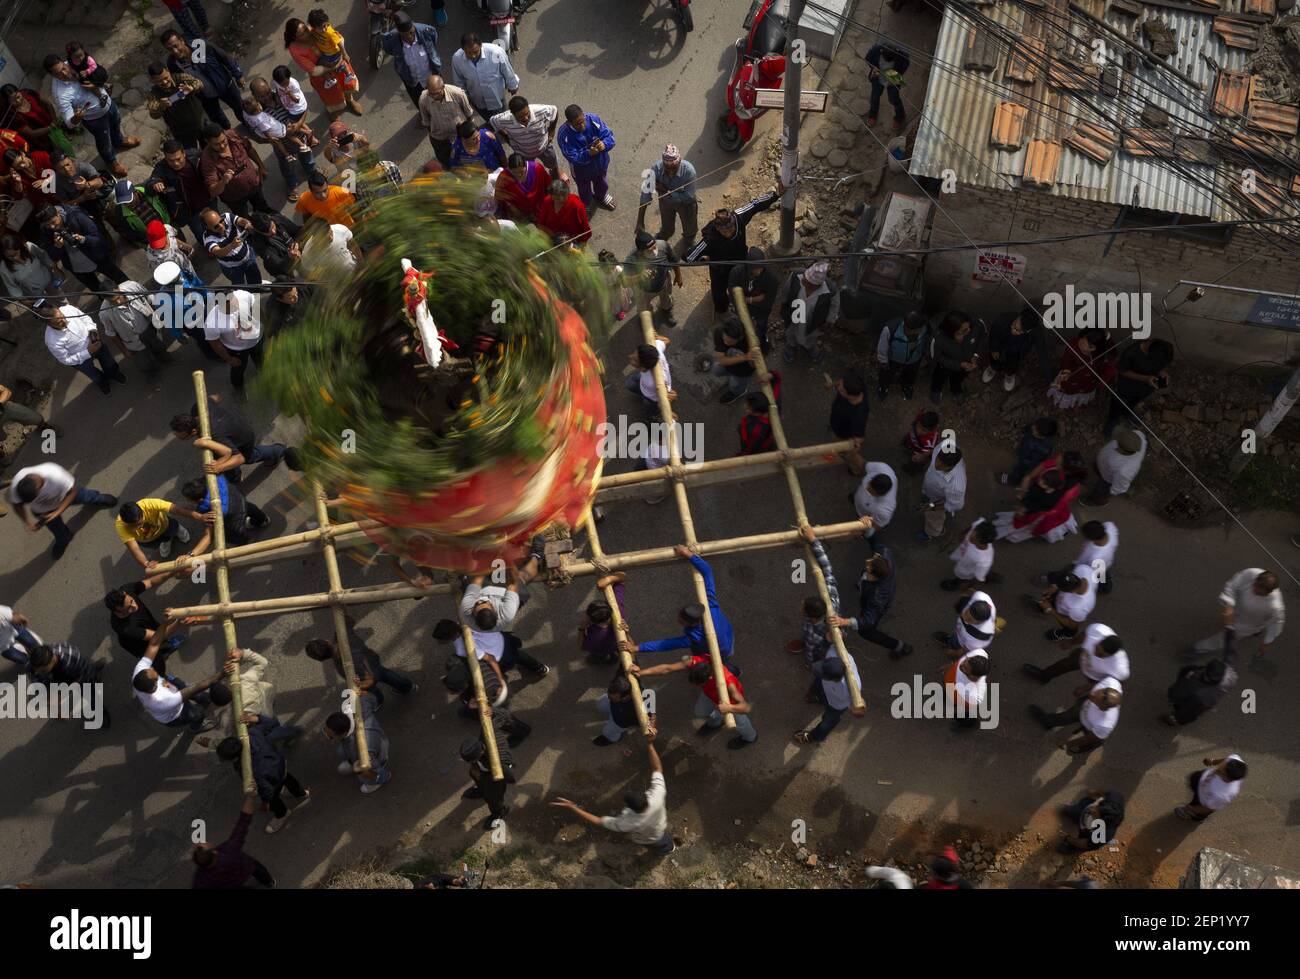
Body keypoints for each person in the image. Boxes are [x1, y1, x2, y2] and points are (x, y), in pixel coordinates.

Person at [552, 737, 675, 854]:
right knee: (663, 841)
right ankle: (669, 848)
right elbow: (657, 768)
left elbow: (599, 821)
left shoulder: (628, 823)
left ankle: (663, 849)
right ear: (646, 798)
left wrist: (573, 807)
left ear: (631, 808)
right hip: (659, 829)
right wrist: (650, 744)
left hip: (646, 838)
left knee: (651, 842)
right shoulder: (657, 795)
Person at [686, 186, 782, 316]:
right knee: (719, 293)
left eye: (731, 228)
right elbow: (689, 257)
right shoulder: (710, 239)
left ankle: (741, 303)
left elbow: (755, 204)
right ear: (718, 229)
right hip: (720, 270)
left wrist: (775, 195)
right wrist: (705, 259)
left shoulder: (739, 217)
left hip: (741, 263)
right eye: (725, 231)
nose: (729, 233)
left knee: (742, 285)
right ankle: (721, 309)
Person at [44, 54, 140, 178]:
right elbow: (69, 123)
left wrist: (102, 83)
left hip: (109, 104)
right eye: (58, 74)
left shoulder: (76, 63)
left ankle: (119, 141)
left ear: (64, 62)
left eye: (64, 68)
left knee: (116, 123)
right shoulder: (60, 94)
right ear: (52, 75)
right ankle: (111, 161)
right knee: (104, 142)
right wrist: (77, 117)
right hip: (95, 120)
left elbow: (98, 69)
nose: (65, 73)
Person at [634, 653, 757, 749]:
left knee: (741, 723)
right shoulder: (695, 661)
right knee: (700, 712)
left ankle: (750, 738)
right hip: (710, 695)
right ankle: (716, 723)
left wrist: (730, 708)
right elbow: (667, 668)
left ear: (709, 677)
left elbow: (746, 707)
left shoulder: (728, 684)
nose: (697, 686)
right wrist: (640, 673)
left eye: (699, 684)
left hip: (731, 704)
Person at [635, 546, 736, 662]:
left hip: (719, 651)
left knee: (713, 662)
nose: (678, 621)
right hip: (728, 636)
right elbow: (707, 571)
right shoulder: (710, 604)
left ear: (692, 624)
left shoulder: (695, 636)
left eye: (682, 621)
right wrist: (689, 554)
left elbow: (667, 644)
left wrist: (639, 647)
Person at [218, 712, 311, 834]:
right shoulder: (253, 734)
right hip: (280, 764)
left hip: (273, 780)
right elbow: (271, 723)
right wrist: (256, 719)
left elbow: (266, 789)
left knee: (274, 799)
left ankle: (282, 814)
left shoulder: (249, 770)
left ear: (234, 758)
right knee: (288, 778)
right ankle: (301, 794)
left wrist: (266, 802)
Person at [170, 396, 296, 484]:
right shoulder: (198, 407)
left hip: (243, 439)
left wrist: (219, 468)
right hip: (236, 423)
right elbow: (216, 398)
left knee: (250, 456)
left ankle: (278, 451)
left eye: (179, 435)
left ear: (193, 432)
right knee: (226, 462)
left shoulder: (216, 436)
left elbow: (239, 458)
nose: (177, 437)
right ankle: (234, 475)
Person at [132, 621, 222, 732]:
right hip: (177, 714)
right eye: (155, 675)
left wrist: (166, 622)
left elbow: (154, 644)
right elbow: (195, 688)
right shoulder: (162, 700)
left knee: (183, 686)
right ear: (155, 685)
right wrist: (222, 673)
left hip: (171, 690)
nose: (151, 668)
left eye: (149, 669)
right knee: (197, 714)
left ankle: (205, 699)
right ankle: (196, 727)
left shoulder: (140, 671)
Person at [306, 614, 416, 700]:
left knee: (373, 689)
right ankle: (407, 687)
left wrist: (358, 687)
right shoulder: (342, 635)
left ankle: (378, 700)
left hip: (368, 675)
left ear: (322, 659)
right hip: (372, 660)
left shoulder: (342, 667)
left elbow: (369, 681)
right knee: (386, 674)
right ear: (327, 642)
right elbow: (348, 620)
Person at [241, 82, 318, 203]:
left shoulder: (282, 95)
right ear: (254, 96)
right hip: (281, 145)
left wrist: (298, 125)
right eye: (261, 96)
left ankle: (311, 170)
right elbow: (254, 135)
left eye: (267, 93)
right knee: (286, 165)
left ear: (269, 87)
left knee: (306, 153)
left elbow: (302, 109)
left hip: (298, 135)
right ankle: (292, 184)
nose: (266, 97)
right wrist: (270, 139)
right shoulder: (251, 111)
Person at [832, 548, 912, 658]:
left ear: (871, 572)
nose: (868, 562)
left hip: (877, 605)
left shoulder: (876, 597)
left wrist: (844, 621)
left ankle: (899, 646)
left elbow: (867, 620)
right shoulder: (885, 555)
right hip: (871, 589)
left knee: (866, 631)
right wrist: (867, 533)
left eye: (870, 565)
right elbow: (878, 544)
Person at [162, 27, 245, 128]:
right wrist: (172, 99)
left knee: (241, 109)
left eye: (176, 46)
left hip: (224, 84)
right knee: (219, 121)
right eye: (170, 49)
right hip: (205, 96)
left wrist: (238, 75)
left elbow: (224, 57)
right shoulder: (173, 64)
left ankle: (250, 126)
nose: (175, 51)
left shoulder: (200, 45)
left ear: (182, 41)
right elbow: (181, 88)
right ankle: (229, 136)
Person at [1193, 569, 1284, 660]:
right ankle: (1257, 631)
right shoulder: (1251, 573)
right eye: (1254, 585)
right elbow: (1233, 585)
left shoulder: (1275, 607)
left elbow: (1275, 624)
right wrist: (1229, 605)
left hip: (1248, 624)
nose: (1254, 589)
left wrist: (1266, 643)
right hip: (1238, 609)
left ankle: (1199, 649)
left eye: (1259, 590)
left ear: (1269, 592)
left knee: (1225, 637)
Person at [192, 793, 277, 889]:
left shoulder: (200, 879)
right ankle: (269, 882)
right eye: (203, 845)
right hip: (246, 867)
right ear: (214, 852)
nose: (200, 842)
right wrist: (250, 798)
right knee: (259, 870)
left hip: (232, 885)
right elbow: (242, 823)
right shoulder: (229, 849)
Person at [284, 17, 362, 120]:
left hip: (338, 61)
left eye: (306, 30)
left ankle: (349, 100)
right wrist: (335, 66)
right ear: (294, 38)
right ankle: (334, 112)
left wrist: (343, 53)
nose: (307, 34)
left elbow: (336, 37)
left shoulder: (315, 28)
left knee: (347, 84)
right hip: (322, 75)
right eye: (302, 34)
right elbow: (312, 70)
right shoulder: (295, 50)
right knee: (331, 96)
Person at [38, 204, 127, 291]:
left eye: (53, 222)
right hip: (77, 268)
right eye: (47, 225)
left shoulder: (76, 215)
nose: (52, 227)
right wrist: (57, 247)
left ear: (58, 213)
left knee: (122, 280)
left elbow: (97, 238)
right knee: (100, 292)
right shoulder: (45, 230)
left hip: (97, 258)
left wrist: (83, 239)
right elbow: (52, 255)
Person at [44, 302, 127, 395]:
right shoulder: (51, 340)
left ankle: (114, 374)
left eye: (62, 316)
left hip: (96, 343)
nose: (64, 321)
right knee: (95, 376)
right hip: (81, 360)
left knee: (109, 363)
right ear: (49, 324)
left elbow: (85, 318)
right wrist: (88, 352)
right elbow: (65, 360)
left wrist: (93, 331)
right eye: (59, 322)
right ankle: (103, 383)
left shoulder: (68, 309)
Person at [1029, 676, 1122, 755]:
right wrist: (1084, 688)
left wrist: (1068, 743)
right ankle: (1047, 721)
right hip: (1083, 709)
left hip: (1091, 727)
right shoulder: (1111, 682)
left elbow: (1089, 738)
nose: (1092, 694)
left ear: (1102, 708)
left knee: (1092, 742)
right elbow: (1097, 684)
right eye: (1097, 692)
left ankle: (1082, 749)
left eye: (1094, 699)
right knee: (1065, 716)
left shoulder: (1104, 724)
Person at [148, 139, 216, 244]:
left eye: (178, 159)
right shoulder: (161, 168)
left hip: (208, 200)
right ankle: (209, 246)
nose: (175, 163)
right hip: (189, 211)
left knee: (216, 222)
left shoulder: (195, 155)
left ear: (184, 153)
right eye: (170, 160)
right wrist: (156, 183)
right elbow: (153, 179)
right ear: (165, 158)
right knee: (200, 231)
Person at [1022, 621, 1129, 686]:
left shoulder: (1120, 669)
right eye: (1096, 647)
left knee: (1087, 704)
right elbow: (1084, 635)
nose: (1095, 653)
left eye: (1100, 654)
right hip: (1082, 657)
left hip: (1094, 677)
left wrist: (1087, 687)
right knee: (1062, 665)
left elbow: (1114, 684)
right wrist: (1070, 643)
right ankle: (1044, 676)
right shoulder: (1098, 629)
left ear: (1111, 655)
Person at [325, 688, 390, 794]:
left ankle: (374, 784)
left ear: (343, 734)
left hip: (378, 754)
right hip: (378, 739)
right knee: (341, 752)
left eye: (331, 736)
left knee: (362, 779)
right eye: (325, 731)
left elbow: (381, 774)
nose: (327, 736)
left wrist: (364, 772)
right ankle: (354, 763)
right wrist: (363, 692)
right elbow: (373, 700)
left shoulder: (365, 750)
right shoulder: (356, 705)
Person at [199, 122, 271, 217]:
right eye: (216, 144)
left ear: (224, 134)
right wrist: (223, 181)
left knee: (263, 209)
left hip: (254, 185)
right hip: (235, 199)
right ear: (207, 142)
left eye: (223, 141)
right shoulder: (207, 160)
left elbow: (249, 149)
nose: (222, 146)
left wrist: (261, 166)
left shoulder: (233, 135)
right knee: (245, 221)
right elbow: (213, 191)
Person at [99, 280, 172, 371]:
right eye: (113, 301)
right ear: (105, 299)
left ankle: (166, 360)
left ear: (118, 288)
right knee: (145, 364)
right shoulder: (104, 314)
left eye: (118, 297)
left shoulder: (132, 286)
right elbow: (111, 333)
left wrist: (158, 315)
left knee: (159, 348)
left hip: (149, 328)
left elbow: (149, 297)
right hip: (132, 341)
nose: (118, 302)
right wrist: (124, 351)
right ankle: (153, 374)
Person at [1106, 338, 1173, 437]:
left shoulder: (1161, 348)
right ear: (1148, 354)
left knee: (1135, 400)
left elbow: (1159, 366)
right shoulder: (1131, 353)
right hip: (1126, 385)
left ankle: (1127, 411)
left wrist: (1162, 372)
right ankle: (1112, 420)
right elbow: (1122, 371)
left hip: (1145, 386)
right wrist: (1145, 378)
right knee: (1117, 401)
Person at [105, 579, 187, 660]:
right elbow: (159, 636)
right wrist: (178, 622)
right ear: (118, 612)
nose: (135, 606)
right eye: (129, 608)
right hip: (141, 644)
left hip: (146, 626)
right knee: (157, 656)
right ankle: (165, 653)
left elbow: (150, 582)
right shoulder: (127, 629)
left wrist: (172, 571)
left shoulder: (126, 590)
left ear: (125, 593)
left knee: (158, 631)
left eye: (132, 601)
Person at [182, 474, 269, 549]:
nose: (187, 500)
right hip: (239, 499)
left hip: (234, 518)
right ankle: (262, 520)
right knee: (250, 508)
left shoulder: (204, 508)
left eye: (189, 499)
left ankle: (247, 542)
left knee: (229, 534)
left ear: (200, 500)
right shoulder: (215, 479)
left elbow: (210, 527)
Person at [557, 104, 616, 213]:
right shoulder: (564, 136)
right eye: (577, 124)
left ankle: (601, 196)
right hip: (581, 172)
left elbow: (610, 136)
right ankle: (586, 203)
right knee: (584, 190)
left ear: (583, 115)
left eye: (582, 120)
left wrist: (605, 144)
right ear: (569, 123)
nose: (582, 125)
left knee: (602, 183)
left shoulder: (593, 120)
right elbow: (572, 156)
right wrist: (588, 153)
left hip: (601, 164)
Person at [637, 144, 698, 248]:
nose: (670, 171)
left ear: (679, 161)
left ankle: (688, 240)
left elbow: (689, 197)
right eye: (667, 167)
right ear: (663, 163)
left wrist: (667, 191)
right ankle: (664, 236)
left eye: (674, 167)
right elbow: (645, 194)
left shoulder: (689, 171)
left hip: (686, 204)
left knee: (690, 228)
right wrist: (640, 221)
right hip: (665, 202)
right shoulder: (656, 168)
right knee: (666, 227)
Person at [203, 288, 263, 391]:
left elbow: (256, 307)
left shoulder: (243, 295)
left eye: (235, 300)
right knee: (238, 370)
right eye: (231, 305)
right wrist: (229, 359)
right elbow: (215, 344)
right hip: (237, 350)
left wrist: (266, 323)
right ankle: (239, 389)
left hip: (257, 340)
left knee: (260, 358)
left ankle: (262, 371)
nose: (236, 305)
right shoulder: (212, 322)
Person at [778, 261, 839, 364]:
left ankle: (809, 346)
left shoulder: (830, 290)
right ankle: (791, 346)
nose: (803, 281)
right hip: (794, 315)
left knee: (810, 335)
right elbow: (786, 291)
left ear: (816, 286)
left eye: (807, 282)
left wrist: (829, 321)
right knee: (791, 332)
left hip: (813, 320)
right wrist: (783, 306)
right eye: (805, 279)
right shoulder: (797, 275)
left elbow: (834, 306)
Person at [451, 33, 518, 124]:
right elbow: (459, 81)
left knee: (506, 120)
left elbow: (507, 70)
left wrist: (513, 85)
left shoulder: (496, 52)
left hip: (497, 97)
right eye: (468, 53)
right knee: (491, 121)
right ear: (463, 49)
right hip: (478, 101)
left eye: (475, 51)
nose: (473, 56)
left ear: (481, 45)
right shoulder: (457, 59)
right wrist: (464, 98)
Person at [491, 95, 560, 181]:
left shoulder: (541, 110)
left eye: (527, 114)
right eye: (521, 117)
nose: (526, 118)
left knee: (552, 162)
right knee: (528, 172)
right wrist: (507, 138)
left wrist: (552, 130)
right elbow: (493, 121)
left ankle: (555, 173)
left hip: (544, 146)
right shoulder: (503, 119)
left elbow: (555, 110)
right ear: (512, 114)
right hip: (523, 153)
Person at [380, 12, 442, 108]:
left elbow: (434, 41)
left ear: (413, 25)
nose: (409, 37)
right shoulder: (391, 39)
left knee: (440, 100)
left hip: (432, 76)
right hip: (412, 82)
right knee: (420, 104)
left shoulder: (426, 31)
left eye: (411, 33)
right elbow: (389, 50)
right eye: (404, 35)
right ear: (398, 32)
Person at [115, 498, 201, 567]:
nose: (138, 526)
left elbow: (175, 509)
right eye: (134, 525)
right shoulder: (121, 526)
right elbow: (134, 548)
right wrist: (146, 563)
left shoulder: (149, 504)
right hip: (148, 540)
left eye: (139, 523)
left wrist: (198, 516)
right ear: (125, 522)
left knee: (173, 527)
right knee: (161, 541)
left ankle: (178, 529)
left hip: (165, 526)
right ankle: (166, 541)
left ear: (141, 511)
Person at [625, 230, 681, 329]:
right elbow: (624, 281)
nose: (654, 251)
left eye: (654, 246)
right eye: (649, 250)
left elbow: (674, 260)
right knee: (644, 309)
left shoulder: (662, 245)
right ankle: (646, 320)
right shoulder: (632, 259)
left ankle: (666, 313)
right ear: (641, 252)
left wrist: (678, 275)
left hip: (664, 282)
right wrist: (639, 276)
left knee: (667, 300)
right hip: (644, 290)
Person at [146, 63, 208, 151]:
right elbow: (153, 114)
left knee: (210, 148)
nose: (164, 82)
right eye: (159, 81)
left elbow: (199, 83)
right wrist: (161, 106)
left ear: (168, 71)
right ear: (152, 80)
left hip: (199, 121)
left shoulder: (181, 78)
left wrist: (192, 88)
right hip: (181, 131)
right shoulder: (154, 94)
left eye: (166, 78)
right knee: (191, 155)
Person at [1047, 329, 1114, 410]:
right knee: (1068, 389)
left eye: (1090, 346)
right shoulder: (1074, 344)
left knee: (1083, 392)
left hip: (1088, 381)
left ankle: (1077, 402)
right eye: (1083, 341)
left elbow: (1112, 353)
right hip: (1072, 377)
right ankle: (1065, 402)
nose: (1083, 346)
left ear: (1097, 348)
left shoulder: (1100, 353)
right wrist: (1066, 371)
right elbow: (1067, 358)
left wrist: (1107, 337)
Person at [727, 246, 778, 350]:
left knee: (761, 326)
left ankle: (762, 342)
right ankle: (745, 344)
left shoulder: (771, 278)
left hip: (761, 311)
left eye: (761, 268)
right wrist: (756, 299)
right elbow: (733, 295)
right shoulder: (736, 273)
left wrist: (747, 299)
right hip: (742, 310)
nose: (759, 271)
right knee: (744, 328)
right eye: (755, 268)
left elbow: (768, 301)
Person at [1083, 425, 1147, 506]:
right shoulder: (1138, 436)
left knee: (1101, 490)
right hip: (1104, 467)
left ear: (1123, 450)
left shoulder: (1125, 471)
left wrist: (1109, 492)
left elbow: (1119, 487)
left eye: (1118, 441)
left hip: (1107, 480)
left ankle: (1097, 500)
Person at [418, 73, 473, 167]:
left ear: (443, 87)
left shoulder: (457, 94)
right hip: (439, 136)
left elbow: (469, 114)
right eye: (430, 93)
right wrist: (432, 132)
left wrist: (468, 133)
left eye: (436, 93)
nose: (433, 96)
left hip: (459, 133)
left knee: (466, 157)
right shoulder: (423, 98)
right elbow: (426, 120)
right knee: (445, 159)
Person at [875, 309, 929, 401]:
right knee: (886, 374)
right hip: (893, 360)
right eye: (910, 331)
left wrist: (924, 355)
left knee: (910, 375)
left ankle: (907, 386)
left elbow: (926, 342)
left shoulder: (925, 328)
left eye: (918, 330)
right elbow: (882, 346)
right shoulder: (890, 329)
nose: (915, 333)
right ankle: (883, 388)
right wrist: (883, 361)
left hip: (914, 359)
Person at [461, 736, 515, 828]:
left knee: (493, 797)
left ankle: (499, 812)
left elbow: (508, 775)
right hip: (483, 770)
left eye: (472, 760)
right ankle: (481, 791)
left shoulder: (498, 760)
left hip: (496, 775)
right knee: (474, 775)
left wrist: (502, 780)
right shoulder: (484, 737)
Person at [929, 311, 983, 403]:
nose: (969, 331)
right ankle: (936, 390)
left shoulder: (977, 325)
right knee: (939, 377)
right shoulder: (939, 339)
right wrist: (957, 364)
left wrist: (975, 356)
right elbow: (936, 357)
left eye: (968, 328)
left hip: (966, 363)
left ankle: (956, 389)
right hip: (946, 365)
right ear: (950, 332)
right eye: (961, 332)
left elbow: (982, 339)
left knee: (959, 378)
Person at [1032, 565, 1097, 641]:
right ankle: (1043, 607)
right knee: (1050, 601)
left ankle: (1066, 635)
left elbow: (1072, 625)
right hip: (1061, 602)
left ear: (1071, 592)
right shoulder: (1083, 569)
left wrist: (1050, 610)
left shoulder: (1079, 608)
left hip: (1066, 614)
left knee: (1069, 630)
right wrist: (1054, 587)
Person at [984, 305, 1038, 393]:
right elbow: (993, 334)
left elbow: (1027, 348)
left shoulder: (1032, 335)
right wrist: (994, 348)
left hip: (1014, 354)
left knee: (1012, 365)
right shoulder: (1003, 319)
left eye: (1017, 330)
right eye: (1013, 325)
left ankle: (1009, 375)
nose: (1013, 330)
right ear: (1019, 316)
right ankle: (993, 368)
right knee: (994, 359)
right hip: (999, 347)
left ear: (1028, 331)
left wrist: (1020, 355)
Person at [1176, 755, 1247, 821]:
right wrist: (1212, 761)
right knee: (1194, 779)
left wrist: (1190, 808)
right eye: (1221, 766)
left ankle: (1197, 817)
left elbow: (1208, 809)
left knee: (1199, 812)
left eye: (1220, 772)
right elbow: (1225, 760)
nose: (1217, 769)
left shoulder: (1223, 795)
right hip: (1202, 779)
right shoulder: (1234, 760)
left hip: (1203, 799)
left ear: (1229, 779)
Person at [1, 235, 59, 315]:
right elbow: (12, 286)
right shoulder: (3, 268)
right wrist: (23, 300)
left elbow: (44, 256)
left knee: (62, 300)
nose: (15, 258)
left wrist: (55, 268)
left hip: (49, 281)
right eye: (10, 256)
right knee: (49, 314)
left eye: (16, 253)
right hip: (34, 294)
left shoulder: (30, 247)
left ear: (20, 247)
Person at [200, 208, 260, 285]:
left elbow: (240, 220)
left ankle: (257, 288)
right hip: (233, 268)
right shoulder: (207, 238)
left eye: (221, 221)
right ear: (207, 227)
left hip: (248, 256)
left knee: (255, 277)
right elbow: (218, 252)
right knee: (240, 286)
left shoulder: (227, 216)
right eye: (216, 226)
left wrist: (246, 223)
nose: (221, 226)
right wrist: (232, 245)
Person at [578, 573, 627, 665]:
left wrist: (581, 628)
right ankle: (612, 659)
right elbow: (623, 577)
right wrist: (610, 579)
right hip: (614, 645)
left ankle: (600, 660)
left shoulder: (593, 638)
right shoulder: (619, 612)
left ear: (590, 618)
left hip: (598, 649)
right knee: (612, 652)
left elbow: (581, 645)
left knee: (598, 654)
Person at [1161, 659, 1227, 727]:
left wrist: (1178, 717)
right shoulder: (1199, 671)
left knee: (1184, 713)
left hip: (1186, 702)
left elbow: (1189, 710)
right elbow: (1183, 672)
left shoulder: (1204, 694)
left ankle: (1173, 720)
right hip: (1183, 696)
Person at [919, 447, 967, 541]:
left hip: (937, 502)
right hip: (928, 491)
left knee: (934, 518)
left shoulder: (956, 486)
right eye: (937, 459)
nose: (937, 464)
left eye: (942, 464)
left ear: (952, 466)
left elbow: (954, 505)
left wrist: (932, 506)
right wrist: (923, 455)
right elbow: (935, 449)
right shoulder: (944, 449)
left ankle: (933, 533)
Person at [828, 372, 869, 476]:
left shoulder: (858, 415)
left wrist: (852, 452)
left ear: (848, 394)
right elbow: (841, 381)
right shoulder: (856, 385)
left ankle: (856, 469)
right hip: (838, 423)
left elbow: (859, 438)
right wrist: (831, 384)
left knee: (850, 454)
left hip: (844, 434)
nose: (838, 388)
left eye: (841, 389)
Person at [593, 673, 651, 746]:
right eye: (608, 693)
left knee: (608, 732)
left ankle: (612, 738)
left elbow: (646, 720)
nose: (608, 697)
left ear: (625, 697)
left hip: (620, 722)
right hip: (617, 709)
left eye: (612, 698)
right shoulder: (625, 685)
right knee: (600, 702)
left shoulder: (639, 707)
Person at [626, 335, 675, 420]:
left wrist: (667, 411)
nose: (630, 356)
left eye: (634, 359)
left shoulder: (654, 383)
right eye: (634, 354)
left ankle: (655, 415)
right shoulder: (656, 349)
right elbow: (667, 340)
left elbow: (662, 402)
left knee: (650, 409)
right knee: (629, 384)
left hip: (652, 398)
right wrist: (656, 336)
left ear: (643, 368)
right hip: (643, 380)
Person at [2, 84, 62, 153]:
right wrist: (51, 127)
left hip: (52, 125)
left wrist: (55, 120)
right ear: (8, 103)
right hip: (42, 140)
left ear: (19, 92)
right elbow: (32, 134)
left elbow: (47, 103)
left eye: (18, 97)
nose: (18, 101)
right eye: (13, 101)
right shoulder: (11, 115)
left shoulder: (28, 93)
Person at [1058, 791, 1125, 853]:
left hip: (1087, 833)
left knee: (1080, 843)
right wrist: (1094, 793)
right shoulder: (1115, 797)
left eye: (1095, 815)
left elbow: (1085, 844)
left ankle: (1073, 848)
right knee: (1076, 811)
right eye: (1097, 808)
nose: (1092, 810)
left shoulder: (1102, 836)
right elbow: (1103, 793)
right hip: (1083, 812)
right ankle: (1073, 812)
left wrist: (1068, 838)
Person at [998, 417, 1057, 487]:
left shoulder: (1043, 448)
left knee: (1018, 471)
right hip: (1024, 453)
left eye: (1035, 430)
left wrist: (1023, 462)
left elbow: (1034, 460)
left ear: (1042, 436)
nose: (1033, 427)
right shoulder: (1036, 431)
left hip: (1026, 462)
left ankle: (1012, 481)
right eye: (1034, 425)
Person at [709, 317, 757, 404]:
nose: (725, 343)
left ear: (741, 337)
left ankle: (737, 393)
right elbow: (722, 360)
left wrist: (750, 356)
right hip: (730, 363)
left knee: (735, 385)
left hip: (743, 371)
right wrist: (745, 357)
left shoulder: (751, 342)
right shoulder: (719, 331)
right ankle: (731, 377)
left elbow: (753, 366)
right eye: (724, 339)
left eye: (730, 342)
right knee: (716, 370)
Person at [934, 590, 997, 654]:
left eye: (970, 620)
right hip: (961, 630)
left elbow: (964, 649)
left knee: (955, 642)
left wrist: (953, 653)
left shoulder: (978, 639)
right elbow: (971, 592)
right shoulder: (981, 596)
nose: (965, 618)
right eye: (966, 612)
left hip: (961, 640)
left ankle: (949, 642)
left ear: (980, 622)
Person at [943, 517, 996, 592]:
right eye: (973, 531)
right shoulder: (979, 526)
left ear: (980, 540)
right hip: (962, 556)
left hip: (966, 571)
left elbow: (977, 578)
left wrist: (967, 587)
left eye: (974, 535)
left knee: (960, 578)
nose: (970, 535)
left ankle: (955, 583)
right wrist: (963, 534)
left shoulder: (984, 561)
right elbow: (972, 526)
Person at [943, 645, 990, 730]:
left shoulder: (975, 694)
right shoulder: (978, 652)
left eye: (965, 668)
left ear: (973, 677)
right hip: (951, 688)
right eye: (965, 660)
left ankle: (966, 724)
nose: (961, 664)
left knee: (966, 716)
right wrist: (950, 666)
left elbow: (968, 706)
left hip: (960, 699)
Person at [865, 42, 909, 132]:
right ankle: (873, 115)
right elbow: (868, 58)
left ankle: (900, 116)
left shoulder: (902, 54)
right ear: (881, 51)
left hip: (893, 76)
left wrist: (896, 75)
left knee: (893, 99)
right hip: (878, 74)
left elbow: (905, 64)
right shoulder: (876, 49)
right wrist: (873, 68)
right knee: (875, 96)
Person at [533, 179, 591, 246]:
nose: (557, 201)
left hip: (571, 242)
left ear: (567, 193)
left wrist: (581, 245)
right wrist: (552, 236)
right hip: (551, 239)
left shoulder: (577, 205)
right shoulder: (547, 201)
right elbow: (541, 224)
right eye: (555, 198)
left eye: (560, 198)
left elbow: (586, 228)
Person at [494, 152, 550, 223]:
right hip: (519, 214)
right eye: (515, 173)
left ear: (525, 166)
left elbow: (548, 185)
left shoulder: (537, 169)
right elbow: (499, 196)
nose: (519, 175)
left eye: (521, 172)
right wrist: (510, 206)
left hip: (540, 208)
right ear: (509, 169)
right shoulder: (504, 177)